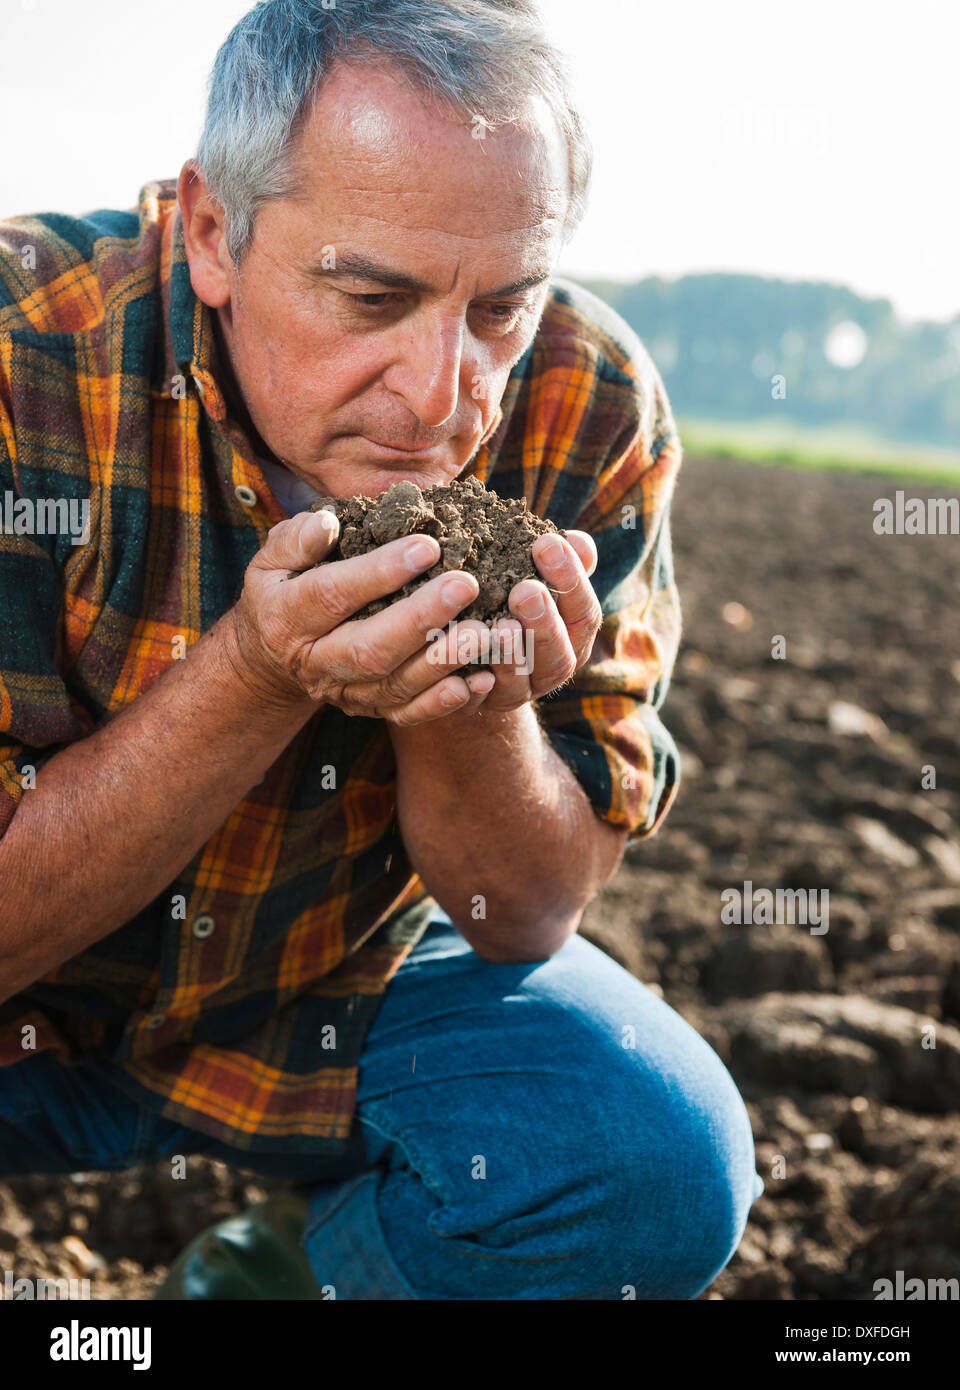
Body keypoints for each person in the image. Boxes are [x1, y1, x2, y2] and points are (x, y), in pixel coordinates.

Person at [0, 0, 762, 1299]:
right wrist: (256, 669)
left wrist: (472, 697)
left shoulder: (589, 407)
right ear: (210, 230)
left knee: (650, 1158)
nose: (442, 393)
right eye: (373, 296)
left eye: (501, 308)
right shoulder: (28, 358)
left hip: (324, 976)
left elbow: (518, 910)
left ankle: (265, 1284)